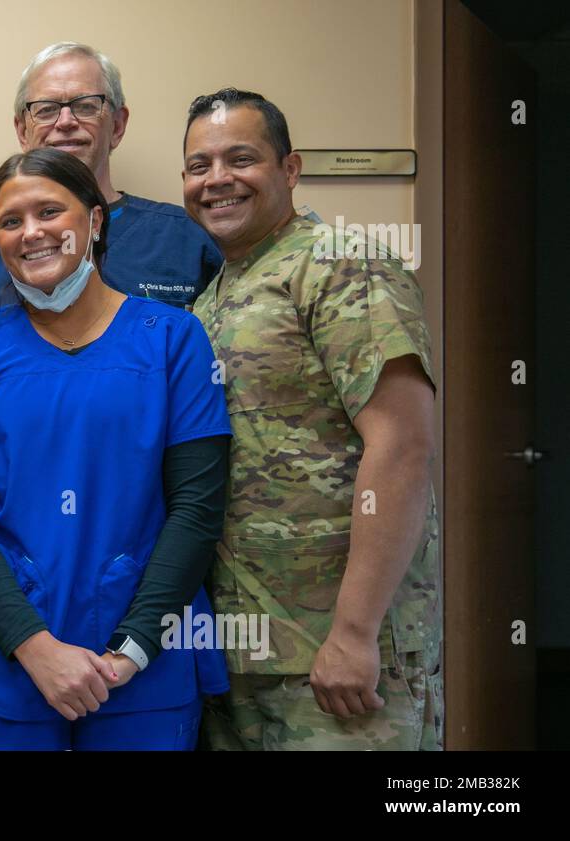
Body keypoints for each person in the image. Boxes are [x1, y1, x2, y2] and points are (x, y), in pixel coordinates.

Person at [0, 148, 233, 750]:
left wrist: (134, 650)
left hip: (147, 662)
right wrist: (33, 647)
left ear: (94, 221)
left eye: (48, 211)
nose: (31, 232)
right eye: (10, 221)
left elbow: (197, 510)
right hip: (6, 658)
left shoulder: (173, 339)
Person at [182, 88, 443, 750]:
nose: (217, 180)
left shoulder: (337, 263)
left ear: (290, 170)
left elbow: (404, 445)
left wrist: (353, 634)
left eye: (240, 158)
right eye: (198, 165)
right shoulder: (212, 296)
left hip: (338, 656)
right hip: (245, 654)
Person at [0, 41, 221, 319]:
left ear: (118, 125)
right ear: (23, 131)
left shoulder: (187, 239)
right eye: (46, 109)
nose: (65, 121)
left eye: (85, 106)